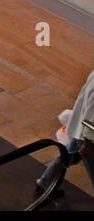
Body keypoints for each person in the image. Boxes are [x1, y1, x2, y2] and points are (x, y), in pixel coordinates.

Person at [38, 67, 94, 195]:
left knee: (69, 154)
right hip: (88, 137)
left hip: (82, 130)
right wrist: (87, 144)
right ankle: (45, 182)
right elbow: (91, 118)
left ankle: (46, 181)